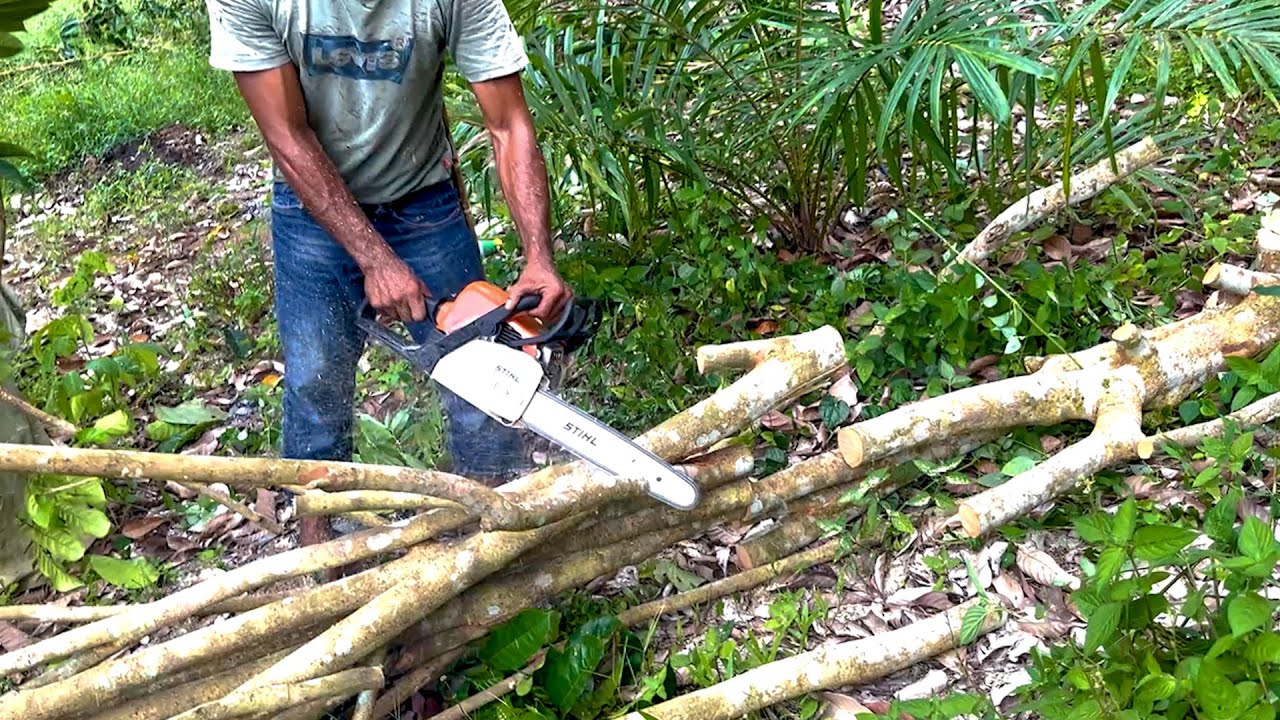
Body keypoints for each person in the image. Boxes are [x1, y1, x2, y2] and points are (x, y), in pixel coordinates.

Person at [203, 0, 572, 546]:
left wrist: (539, 255)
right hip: (308, 210)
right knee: (316, 384)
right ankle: (322, 557)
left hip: (423, 199)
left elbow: (508, 122)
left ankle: (488, 540)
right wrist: (376, 259)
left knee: (482, 372)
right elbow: (286, 135)